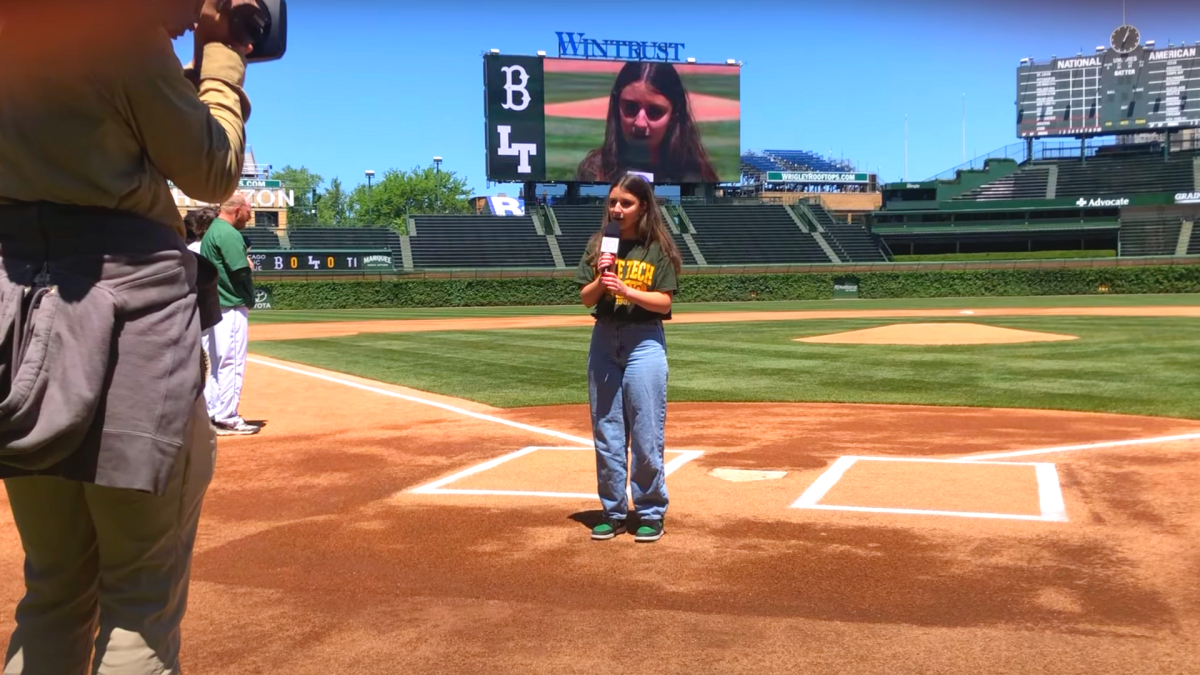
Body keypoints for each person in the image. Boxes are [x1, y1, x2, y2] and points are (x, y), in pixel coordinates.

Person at [0, 1, 253, 671]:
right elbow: (210, 167)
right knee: (139, 600)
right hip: (130, 319)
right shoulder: (116, 34)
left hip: (19, 317)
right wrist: (222, 62)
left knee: (53, 588)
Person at [575, 174, 682, 543]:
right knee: (607, 430)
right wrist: (602, 281)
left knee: (646, 429)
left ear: (644, 207)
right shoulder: (600, 243)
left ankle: (650, 512)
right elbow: (586, 299)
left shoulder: (657, 248)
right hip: (604, 337)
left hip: (644, 341)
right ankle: (613, 511)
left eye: (626, 203)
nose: (617, 209)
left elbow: (665, 302)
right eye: (613, 202)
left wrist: (627, 290)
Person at [575, 62, 720, 184]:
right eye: (630, 108)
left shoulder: (696, 177)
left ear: (674, 116)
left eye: (655, 112)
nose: (640, 123)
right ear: (616, 106)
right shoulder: (594, 171)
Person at [200, 194, 259, 436]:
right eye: (248, 210)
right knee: (231, 362)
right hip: (230, 305)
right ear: (236, 210)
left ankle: (214, 412)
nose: (250, 215)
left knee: (218, 362)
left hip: (215, 304)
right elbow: (240, 270)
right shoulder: (228, 233)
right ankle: (228, 417)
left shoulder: (213, 230)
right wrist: (249, 265)